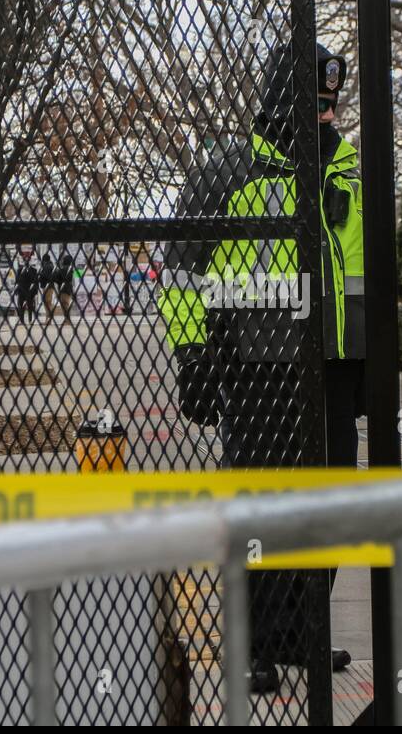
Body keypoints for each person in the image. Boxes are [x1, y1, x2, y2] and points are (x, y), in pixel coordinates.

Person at [156, 42, 364, 695]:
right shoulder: (228, 172)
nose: (326, 116)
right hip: (257, 363)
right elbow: (183, 268)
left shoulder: (349, 172)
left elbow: (363, 271)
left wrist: (364, 359)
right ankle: (255, 635)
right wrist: (193, 355)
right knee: (260, 506)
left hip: (332, 364)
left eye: (332, 105)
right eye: (315, 104)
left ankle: (300, 630)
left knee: (326, 503)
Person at [16, 256, 40, 324]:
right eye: (25, 261)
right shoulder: (19, 270)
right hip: (21, 291)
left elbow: (36, 282)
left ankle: (30, 320)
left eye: (27, 261)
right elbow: (17, 281)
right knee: (21, 306)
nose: (26, 262)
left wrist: (36, 292)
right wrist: (17, 291)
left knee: (30, 306)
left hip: (30, 292)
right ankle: (21, 320)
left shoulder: (34, 270)